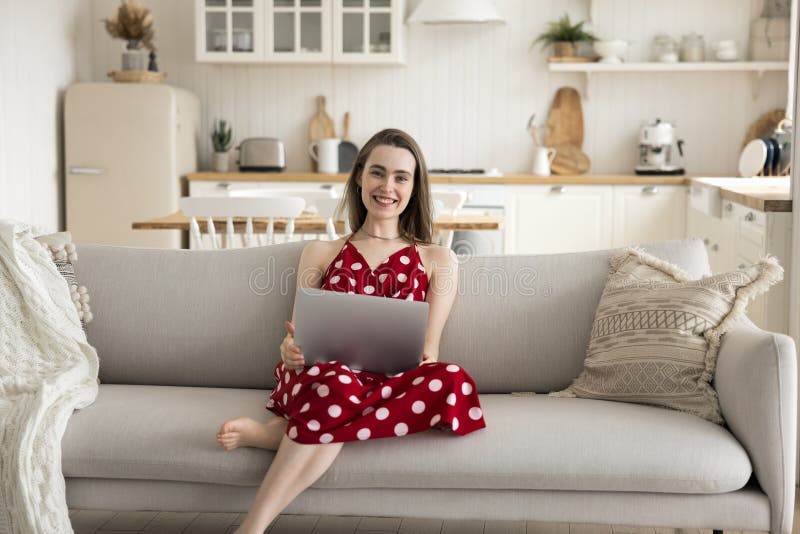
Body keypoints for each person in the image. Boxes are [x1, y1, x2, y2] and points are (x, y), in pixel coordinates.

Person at [216, 128, 487, 534]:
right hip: (322, 379)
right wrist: (290, 348)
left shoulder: (439, 259)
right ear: (360, 176)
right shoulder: (320, 252)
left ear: (414, 188)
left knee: (452, 379)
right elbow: (296, 335)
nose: (387, 187)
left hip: (389, 382)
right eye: (377, 173)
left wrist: (413, 357)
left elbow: (428, 350)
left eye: (400, 177)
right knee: (338, 382)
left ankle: (284, 432)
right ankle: (251, 529)